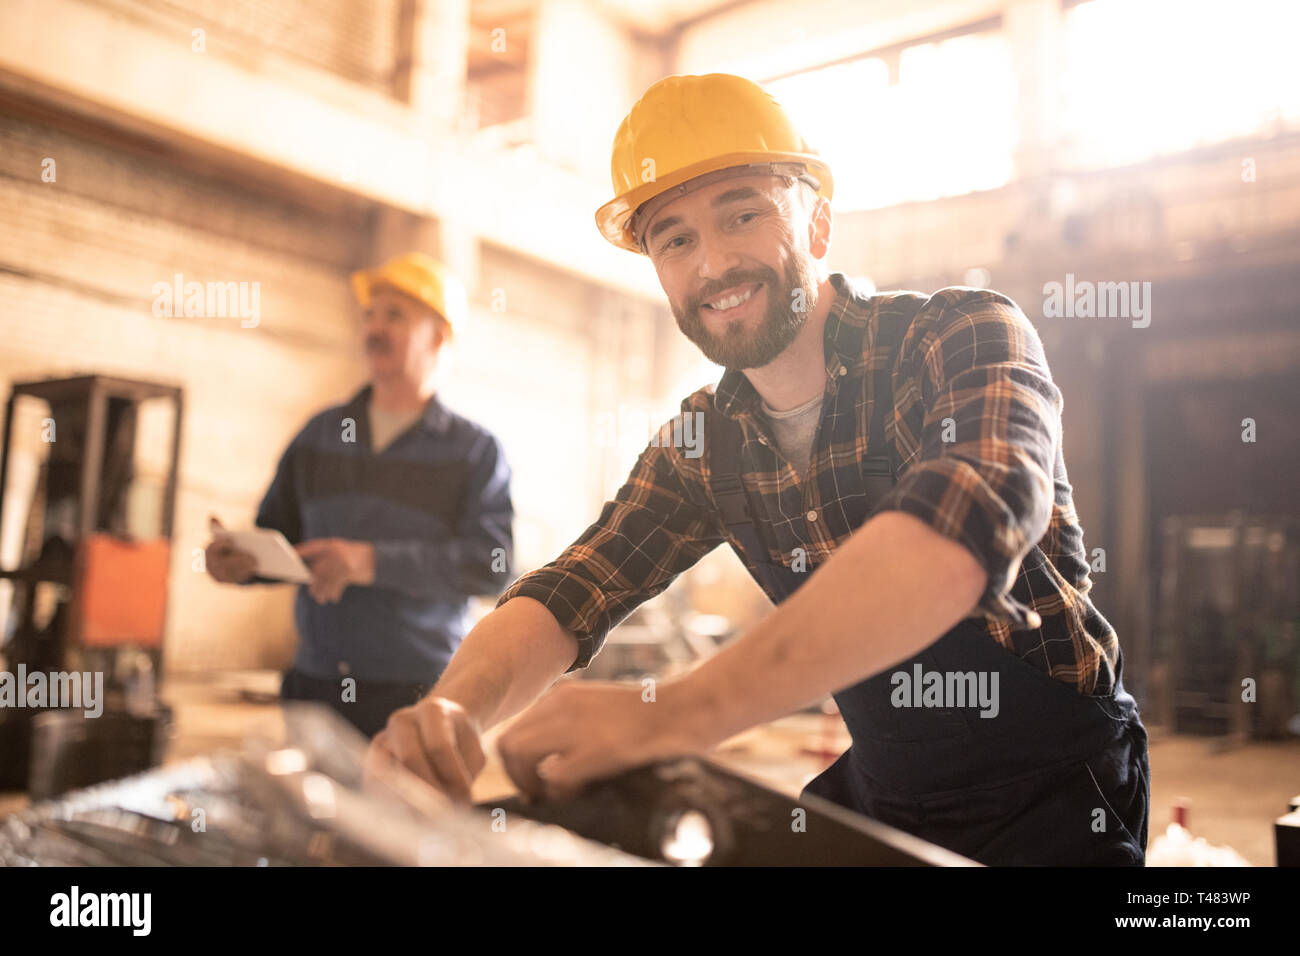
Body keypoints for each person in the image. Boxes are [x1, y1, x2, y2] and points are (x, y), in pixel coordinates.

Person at [367, 75, 1149, 865]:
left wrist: (671, 714)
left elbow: (956, 539)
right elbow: (574, 587)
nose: (713, 264)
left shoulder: (960, 336)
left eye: (742, 213)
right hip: (889, 789)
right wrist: (451, 712)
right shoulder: (708, 442)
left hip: (1056, 794)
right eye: (674, 239)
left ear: (817, 222)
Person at [205, 252, 514, 738]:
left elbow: (493, 565)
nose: (374, 327)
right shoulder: (319, 435)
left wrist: (370, 563)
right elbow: (278, 540)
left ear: (438, 335)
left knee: (402, 816)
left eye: (395, 315)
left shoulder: (474, 452)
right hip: (315, 689)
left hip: (420, 695)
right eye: (370, 314)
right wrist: (241, 564)